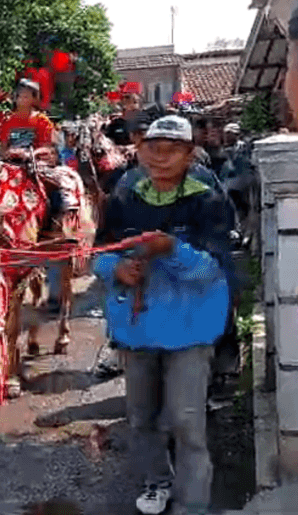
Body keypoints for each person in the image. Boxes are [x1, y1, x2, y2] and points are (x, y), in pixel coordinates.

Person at [95, 115, 234, 515]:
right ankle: (156, 481)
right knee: (141, 419)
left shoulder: (207, 199)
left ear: (190, 154)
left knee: (187, 422)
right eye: (151, 148)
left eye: (171, 149)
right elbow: (102, 255)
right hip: (138, 328)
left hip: (191, 327)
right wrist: (116, 270)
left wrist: (172, 249)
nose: (159, 157)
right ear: (138, 151)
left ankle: (192, 502)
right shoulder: (123, 197)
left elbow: (212, 270)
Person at [0, 79, 57, 158]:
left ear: (34, 99)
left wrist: (30, 154)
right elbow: (3, 146)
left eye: (25, 97)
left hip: (35, 161)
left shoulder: (42, 121)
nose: (21, 100)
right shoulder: (8, 121)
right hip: (12, 162)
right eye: (19, 96)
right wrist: (9, 154)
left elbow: (47, 147)